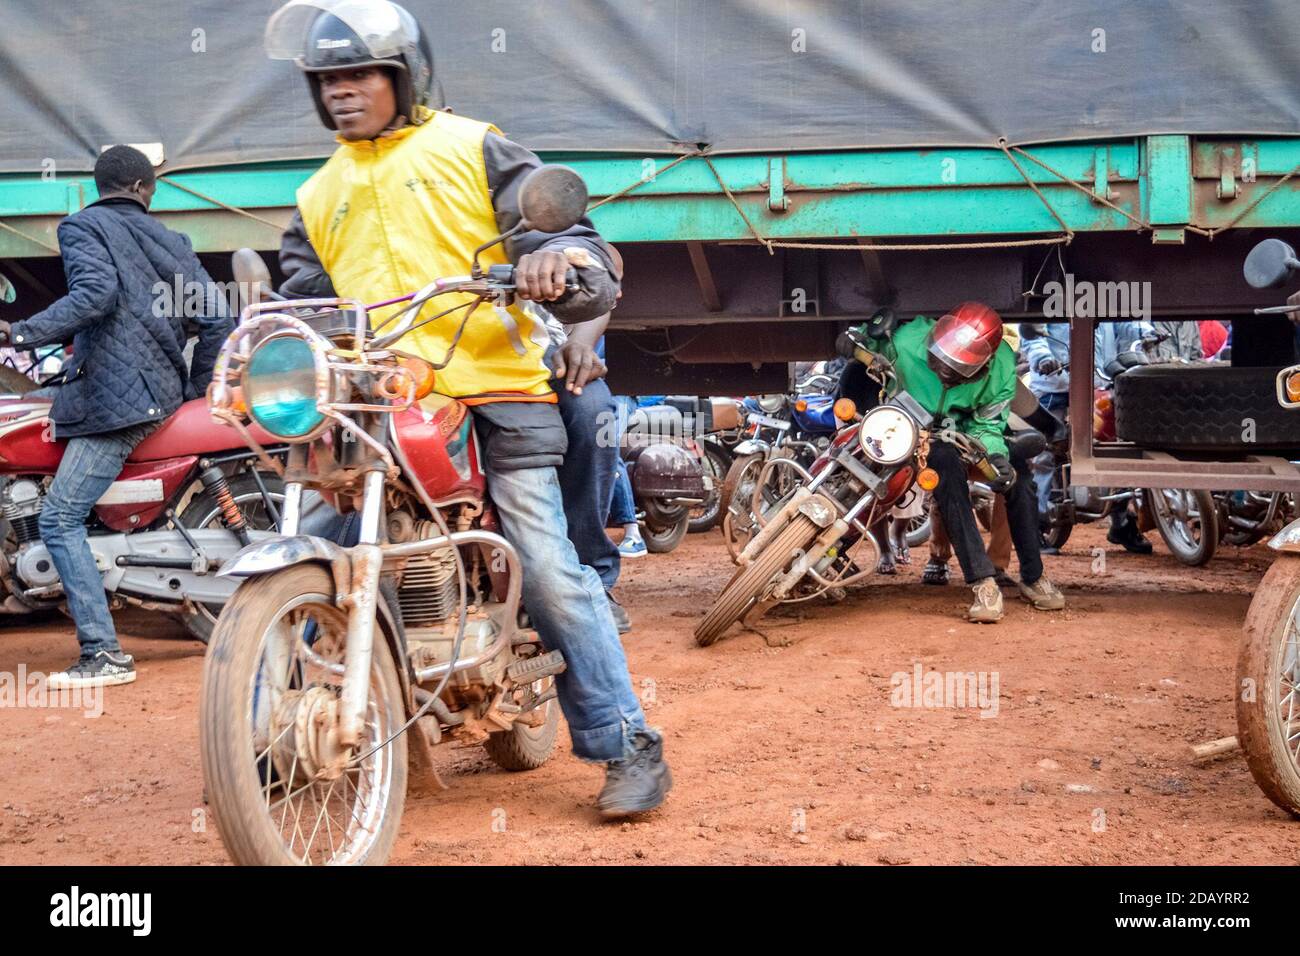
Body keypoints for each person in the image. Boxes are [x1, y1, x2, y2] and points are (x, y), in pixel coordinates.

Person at [267, 0, 669, 816]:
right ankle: (276, 734)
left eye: (359, 76)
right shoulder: (318, 191)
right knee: (303, 550)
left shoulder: (471, 145)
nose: (342, 92)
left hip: (495, 391)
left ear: (404, 75)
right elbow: (304, 291)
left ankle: (627, 743)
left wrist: (557, 256)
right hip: (378, 403)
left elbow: (573, 238)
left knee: (549, 572)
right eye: (328, 81)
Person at [0, 145, 231, 687]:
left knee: (58, 517)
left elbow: (95, 294)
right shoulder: (171, 241)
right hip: (157, 400)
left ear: (99, 185)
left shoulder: (82, 227)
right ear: (146, 190)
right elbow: (218, 319)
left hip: (117, 403)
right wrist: (191, 395)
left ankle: (103, 653)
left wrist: (22, 331)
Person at [840, 303, 1065, 623]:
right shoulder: (908, 340)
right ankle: (983, 582)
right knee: (945, 468)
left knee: (1018, 475)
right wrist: (855, 340)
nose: (945, 372)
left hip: (970, 432)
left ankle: (1033, 577)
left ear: (985, 365)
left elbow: (989, 426)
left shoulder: (1001, 366)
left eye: (958, 369)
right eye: (941, 362)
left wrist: (996, 457)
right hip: (914, 431)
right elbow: (872, 344)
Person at [1020, 320, 1154, 553]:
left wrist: (1147, 331)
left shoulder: (1106, 295)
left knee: (1115, 448)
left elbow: (1126, 322)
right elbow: (1033, 334)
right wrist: (1043, 359)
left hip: (1099, 383)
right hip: (1056, 384)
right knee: (1045, 455)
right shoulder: (1051, 293)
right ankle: (1036, 527)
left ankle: (1121, 520)